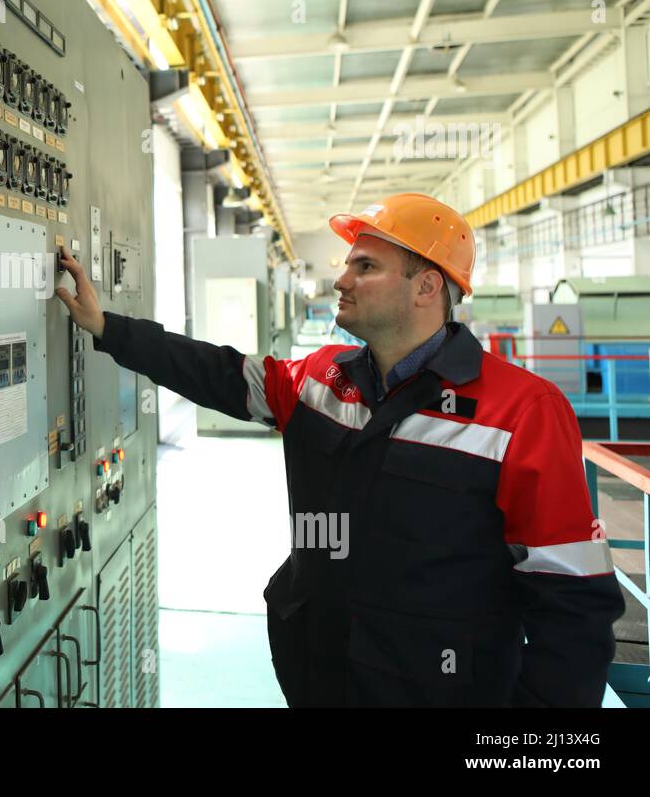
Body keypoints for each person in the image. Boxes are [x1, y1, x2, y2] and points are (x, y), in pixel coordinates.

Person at [55, 192, 624, 707]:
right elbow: (221, 374)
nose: (341, 280)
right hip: (321, 673)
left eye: (365, 267)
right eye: (349, 264)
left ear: (427, 287)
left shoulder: (522, 411)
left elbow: (574, 605)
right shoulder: (321, 378)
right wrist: (109, 328)